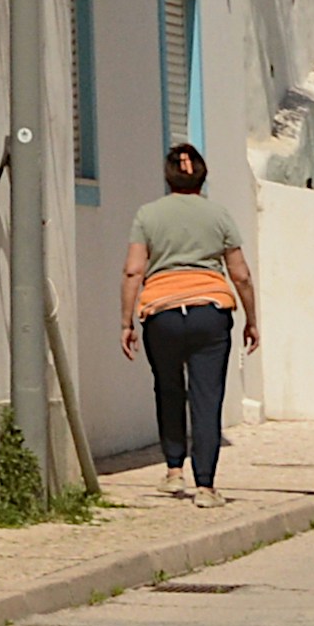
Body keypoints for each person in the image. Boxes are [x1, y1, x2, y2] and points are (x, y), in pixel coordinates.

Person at [119, 141, 256, 502]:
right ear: (202, 177)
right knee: (207, 397)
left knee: (168, 388)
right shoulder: (219, 215)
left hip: (161, 314)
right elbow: (240, 274)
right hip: (210, 312)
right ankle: (207, 486)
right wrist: (251, 320)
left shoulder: (148, 215)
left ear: (168, 178)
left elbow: (134, 270)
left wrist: (127, 322)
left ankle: (174, 469)